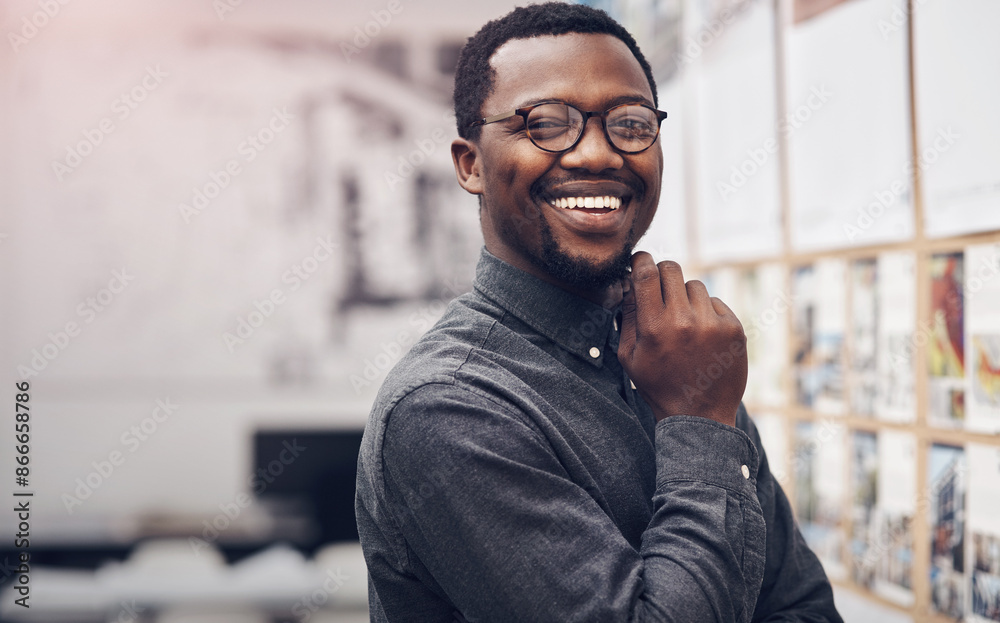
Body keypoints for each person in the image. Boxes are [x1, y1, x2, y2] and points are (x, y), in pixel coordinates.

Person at [355, 3, 842, 621]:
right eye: (545, 124)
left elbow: (801, 606)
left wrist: (698, 410)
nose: (596, 154)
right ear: (471, 164)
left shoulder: (674, 357)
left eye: (630, 123)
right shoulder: (447, 407)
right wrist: (697, 419)